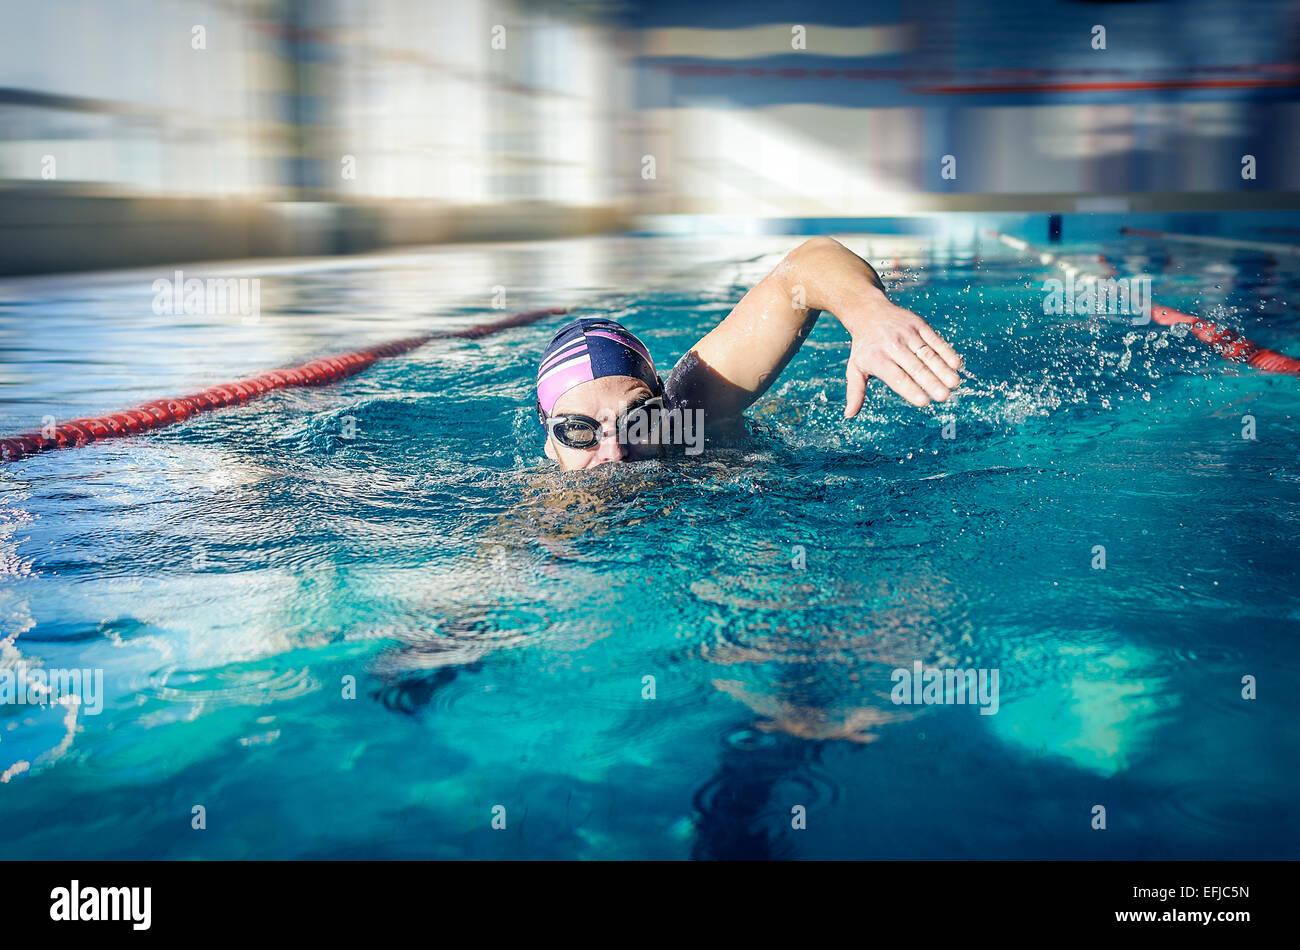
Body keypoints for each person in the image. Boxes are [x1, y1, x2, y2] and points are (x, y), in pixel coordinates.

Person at [536, 236, 964, 470]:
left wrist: (868, 313)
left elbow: (807, 264)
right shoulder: (538, 517)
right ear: (550, 444)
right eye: (578, 432)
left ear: (665, 405)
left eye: (638, 419)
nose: (615, 453)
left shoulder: (693, 408)